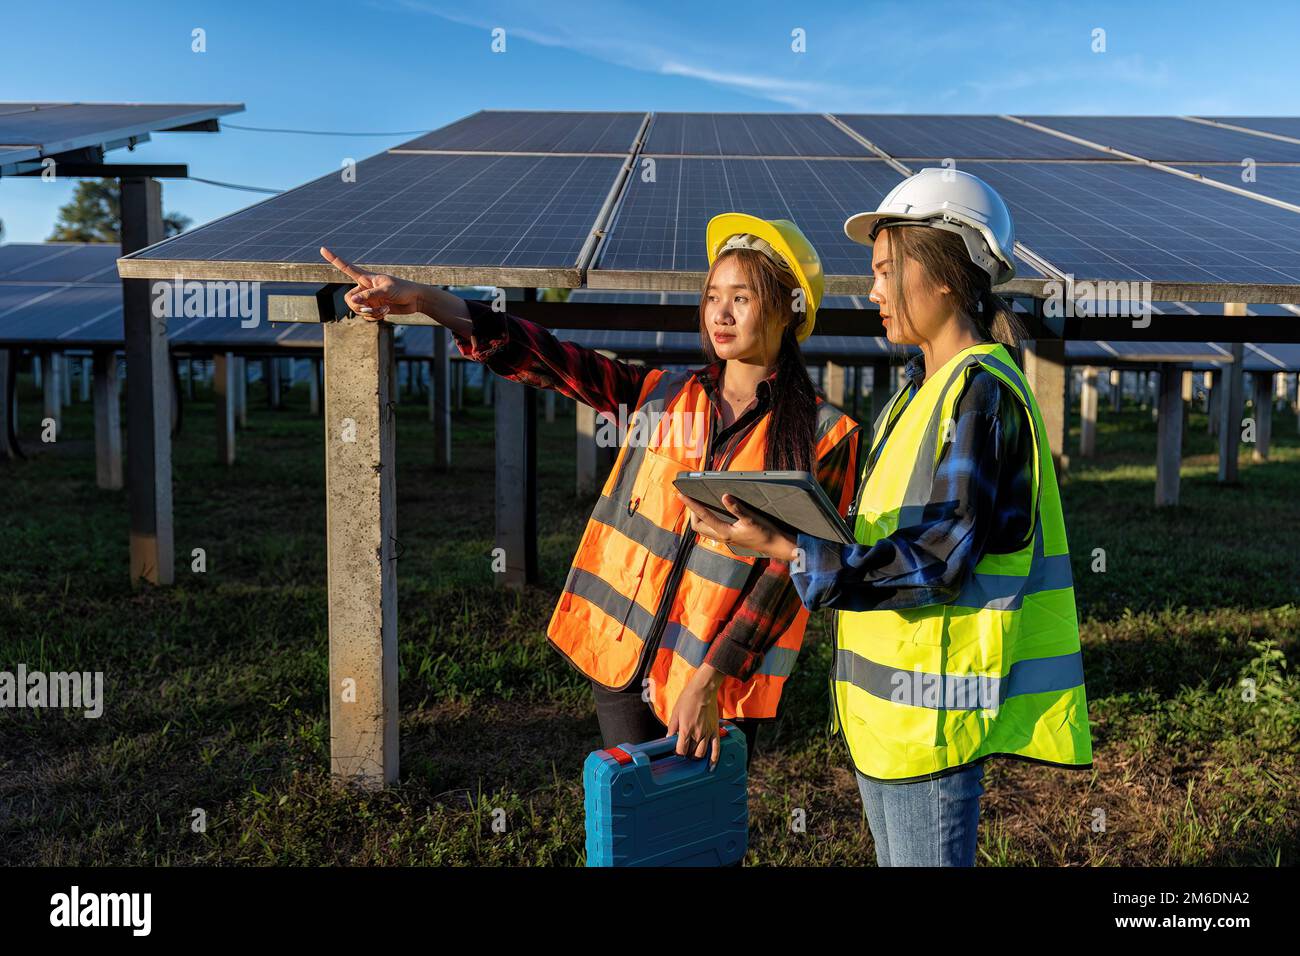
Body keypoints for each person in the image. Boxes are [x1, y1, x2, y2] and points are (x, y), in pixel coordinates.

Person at [319, 212, 860, 774]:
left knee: (698, 818)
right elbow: (552, 360)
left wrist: (709, 680)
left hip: (714, 682)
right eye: (712, 296)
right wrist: (428, 301)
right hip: (622, 656)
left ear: (787, 309)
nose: (720, 314)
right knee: (631, 809)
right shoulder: (661, 395)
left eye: (741, 298)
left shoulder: (823, 436)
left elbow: (785, 576)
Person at [677, 169, 1093, 866]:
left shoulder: (980, 395)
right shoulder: (916, 394)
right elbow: (883, 536)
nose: (871, 292)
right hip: (888, 720)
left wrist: (787, 547)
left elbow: (940, 556)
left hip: (932, 721)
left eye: (885, 272)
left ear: (946, 278)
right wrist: (786, 529)